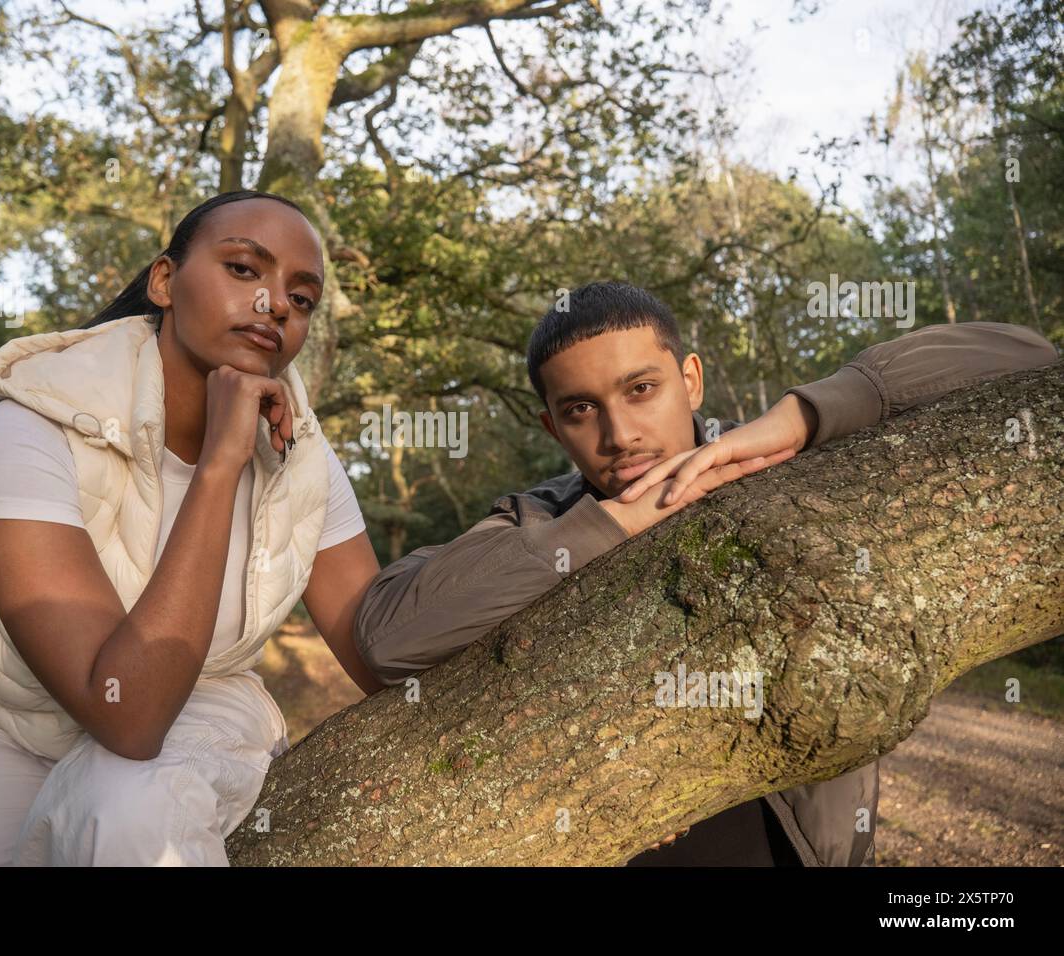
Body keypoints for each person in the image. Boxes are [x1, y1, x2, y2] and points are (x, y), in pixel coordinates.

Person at [353, 280, 1058, 866]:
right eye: (580, 410)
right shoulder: (537, 524)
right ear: (552, 428)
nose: (619, 432)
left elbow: (1027, 358)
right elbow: (388, 637)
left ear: (689, 380)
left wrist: (801, 416)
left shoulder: (791, 459)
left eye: (640, 389)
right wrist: (620, 519)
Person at [0, 189, 384, 867]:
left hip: (201, 710)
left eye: (303, 296)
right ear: (165, 281)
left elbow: (378, 646)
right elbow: (114, 698)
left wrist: (555, 524)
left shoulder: (304, 461)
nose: (276, 303)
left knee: (127, 815)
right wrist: (220, 464)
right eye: (243, 269)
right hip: (12, 729)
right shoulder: (31, 428)